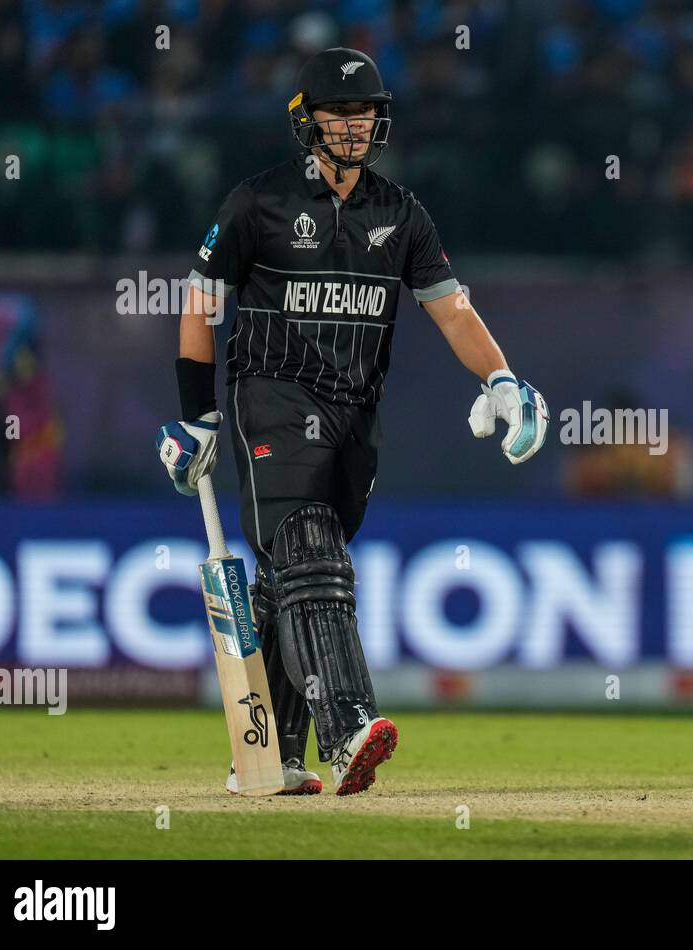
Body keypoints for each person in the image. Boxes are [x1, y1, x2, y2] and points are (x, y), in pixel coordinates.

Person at [156, 48, 548, 796]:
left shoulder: (401, 214)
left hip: (353, 417)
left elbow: (453, 309)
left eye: (364, 112)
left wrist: (499, 375)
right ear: (307, 120)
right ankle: (348, 730)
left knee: (287, 575)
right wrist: (196, 417)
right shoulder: (257, 203)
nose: (353, 126)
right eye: (339, 113)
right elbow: (200, 303)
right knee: (311, 549)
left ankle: (271, 761)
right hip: (271, 396)